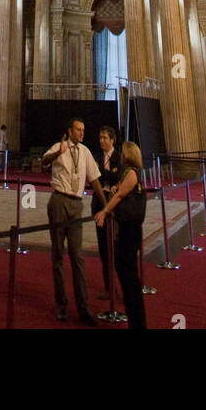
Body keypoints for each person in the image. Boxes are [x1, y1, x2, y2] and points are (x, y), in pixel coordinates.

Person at [42, 117, 106, 325]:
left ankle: (84, 308)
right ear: (69, 130)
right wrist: (57, 153)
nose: (81, 133)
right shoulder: (58, 147)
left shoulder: (86, 152)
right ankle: (62, 306)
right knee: (58, 254)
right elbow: (43, 161)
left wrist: (106, 205)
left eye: (83, 130)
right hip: (59, 200)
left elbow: (94, 179)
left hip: (77, 203)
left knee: (77, 256)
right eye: (78, 129)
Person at [95, 139, 147, 329]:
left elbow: (119, 196)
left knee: (128, 273)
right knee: (126, 270)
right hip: (128, 229)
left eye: (124, 152)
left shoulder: (132, 173)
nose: (121, 155)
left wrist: (105, 211)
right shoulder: (130, 174)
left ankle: (138, 322)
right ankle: (135, 319)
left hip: (130, 230)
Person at [95, 124, 121, 296]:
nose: (101, 141)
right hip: (98, 205)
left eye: (105, 138)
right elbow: (95, 177)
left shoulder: (120, 157)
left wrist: (107, 175)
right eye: (100, 137)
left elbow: (117, 177)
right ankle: (109, 287)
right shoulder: (96, 157)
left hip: (116, 207)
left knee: (117, 246)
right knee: (103, 248)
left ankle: (123, 286)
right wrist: (109, 174)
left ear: (112, 140)